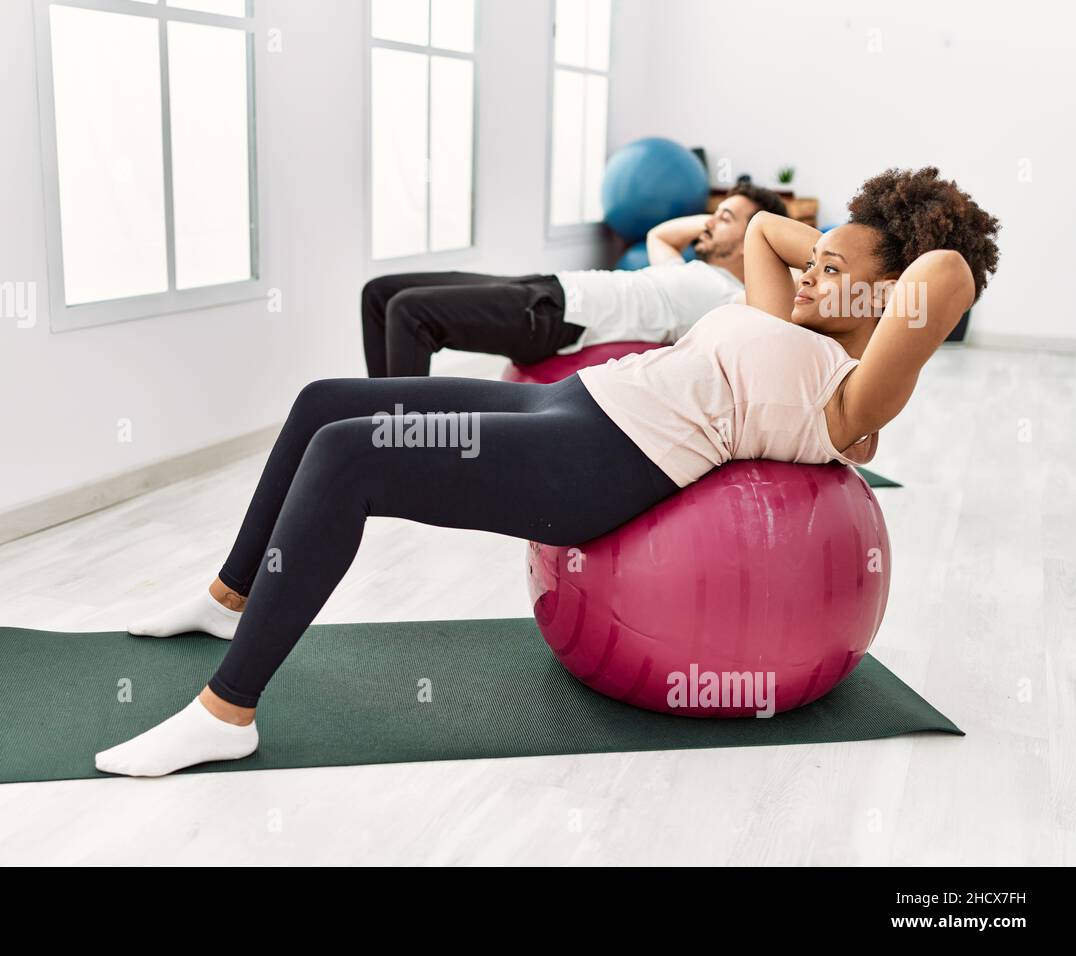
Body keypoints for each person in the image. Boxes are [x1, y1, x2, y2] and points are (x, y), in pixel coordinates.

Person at [97, 167, 999, 776]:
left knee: (349, 456)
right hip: (575, 401)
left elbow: (946, 271)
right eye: (819, 261)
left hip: (601, 465)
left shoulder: (855, 397)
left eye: (833, 272)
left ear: (887, 297)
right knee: (326, 401)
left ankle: (227, 717)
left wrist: (867, 274)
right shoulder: (782, 313)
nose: (809, 277)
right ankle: (228, 599)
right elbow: (763, 231)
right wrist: (840, 255)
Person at [359, 182, 788, 377]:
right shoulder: (690, 272)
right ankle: (378, 421)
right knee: (380, 293)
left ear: (754, 238)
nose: (709, 224)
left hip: (555, 318)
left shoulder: (733, 300)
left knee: (409, 310)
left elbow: (780, 317)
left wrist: (762, 238)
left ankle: (398, 444)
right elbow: (660, 235)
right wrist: (718, 218)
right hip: (546, 286)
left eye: (725, 218)